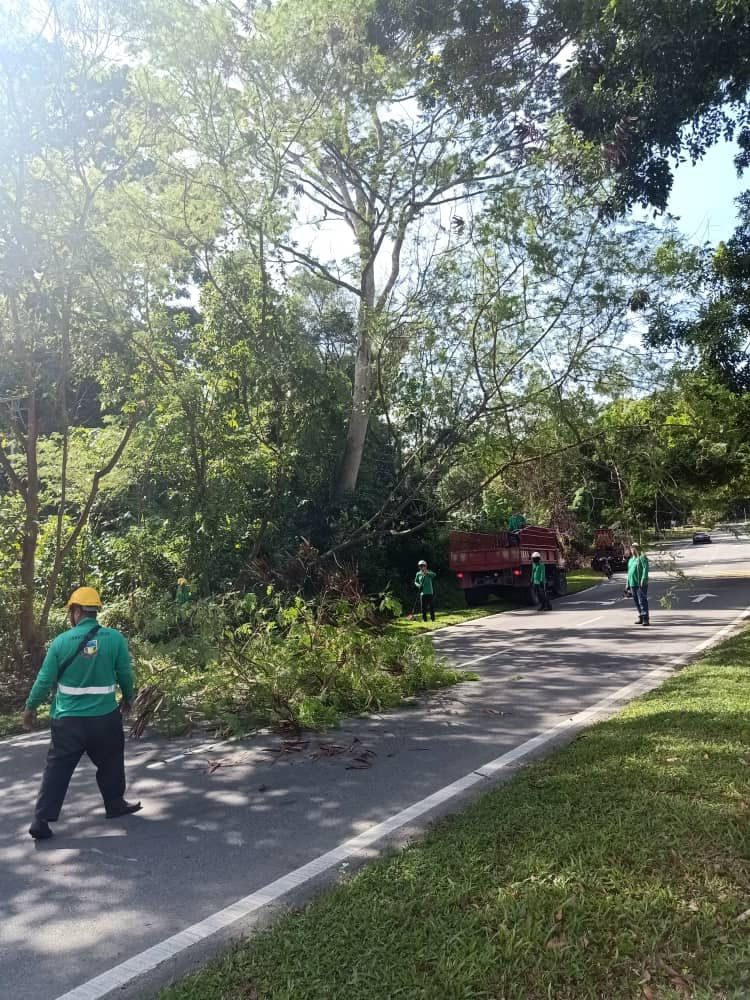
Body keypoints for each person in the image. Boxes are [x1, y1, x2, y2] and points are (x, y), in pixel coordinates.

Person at [22, 586, 141, 840]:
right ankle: (115, 804)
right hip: (104, 718)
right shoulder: (114, 638)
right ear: (94, 610)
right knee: (111, 761)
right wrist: (128, 698)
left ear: (76, 611)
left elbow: (44, 680)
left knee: (57, 769)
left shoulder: (60, 642)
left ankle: (41, 820)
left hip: (68, 721)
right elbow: (125, 673)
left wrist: (30, 708)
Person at [626, 542, 650, 626]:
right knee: (636, 601)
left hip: (640, 583)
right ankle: (641, 616)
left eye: (634, 548)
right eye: (631, 548)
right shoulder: (631, 560)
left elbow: (645, 568)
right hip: (632, 583)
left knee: (642, 601)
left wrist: (643, 578)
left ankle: (645, 618)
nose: (632, 549)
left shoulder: (642, 557)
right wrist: (627, 584)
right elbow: (629, 572)